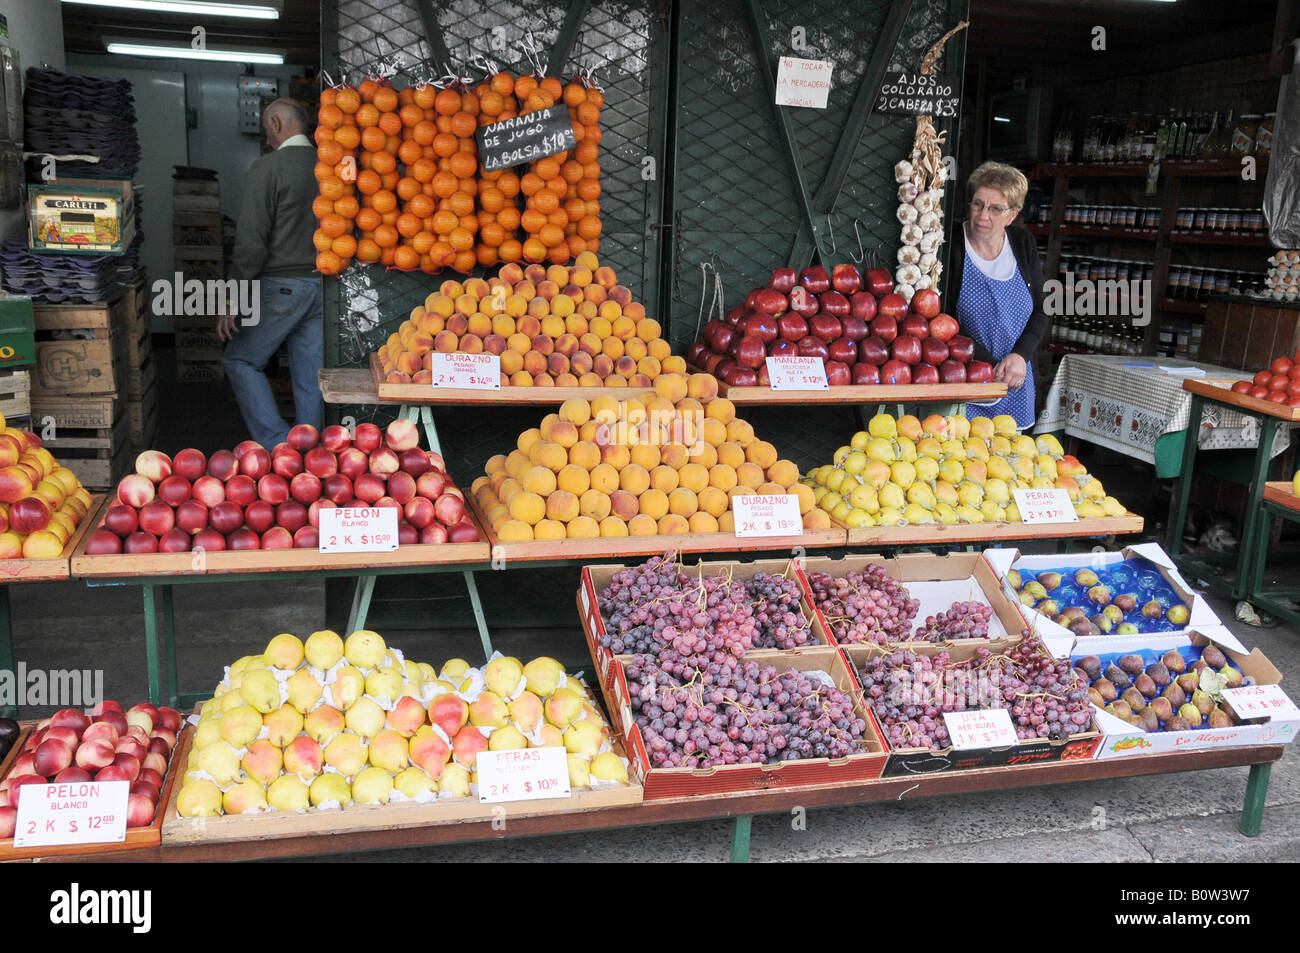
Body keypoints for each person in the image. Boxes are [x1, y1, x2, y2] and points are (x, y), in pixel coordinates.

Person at [220, 97, 323, 449]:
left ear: (277, 124)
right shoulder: (330, 166)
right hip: (323, 286)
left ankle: (278, 445)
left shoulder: (268, 168)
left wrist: (233, 296)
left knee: (241, 359)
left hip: (281, 287)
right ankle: (313, 454)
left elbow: (251, 243)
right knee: (310, 375)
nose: (266, 137)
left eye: (266, 128)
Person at [947, 161, 1050, 429]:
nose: (983, 216)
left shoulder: (1022, 243)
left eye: (995, 209)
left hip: (1017, 379)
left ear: (1012, 215)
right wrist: (991, 365)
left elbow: (1041, 309)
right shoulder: (951, 243)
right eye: (978, 204)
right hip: (967, 378)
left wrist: (1019, 356)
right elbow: (943, 321)